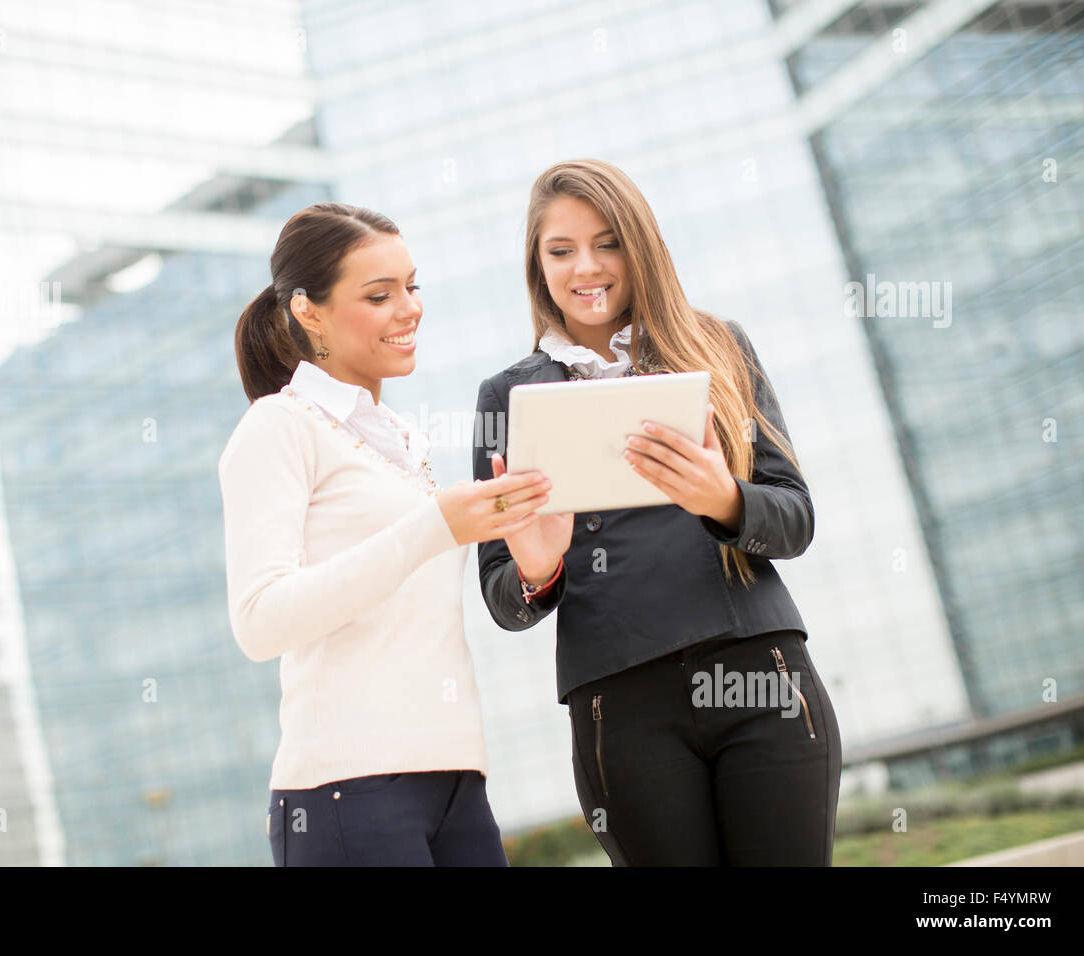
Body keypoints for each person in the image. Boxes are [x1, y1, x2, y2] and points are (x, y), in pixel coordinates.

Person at [472, 159, 842, 865]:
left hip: (760, 674)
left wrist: (723, 501)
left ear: (640, 246)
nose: (587, 266)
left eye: (608, 242)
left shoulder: (717, 347)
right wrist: (538, 565)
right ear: (537, 264)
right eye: (561, 250)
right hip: (621, 706)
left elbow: (794, 520)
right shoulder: (506, 397)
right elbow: (503, 599)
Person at [220, 201, 550, 866]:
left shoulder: (402, 443)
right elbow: (259, 621)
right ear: (307, 310)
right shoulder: (279, 426)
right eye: (379, 295)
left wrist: (537, 562)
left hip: (456, 777)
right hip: (347, 789)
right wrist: (432, 527)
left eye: (411, 286)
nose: (409, 309)